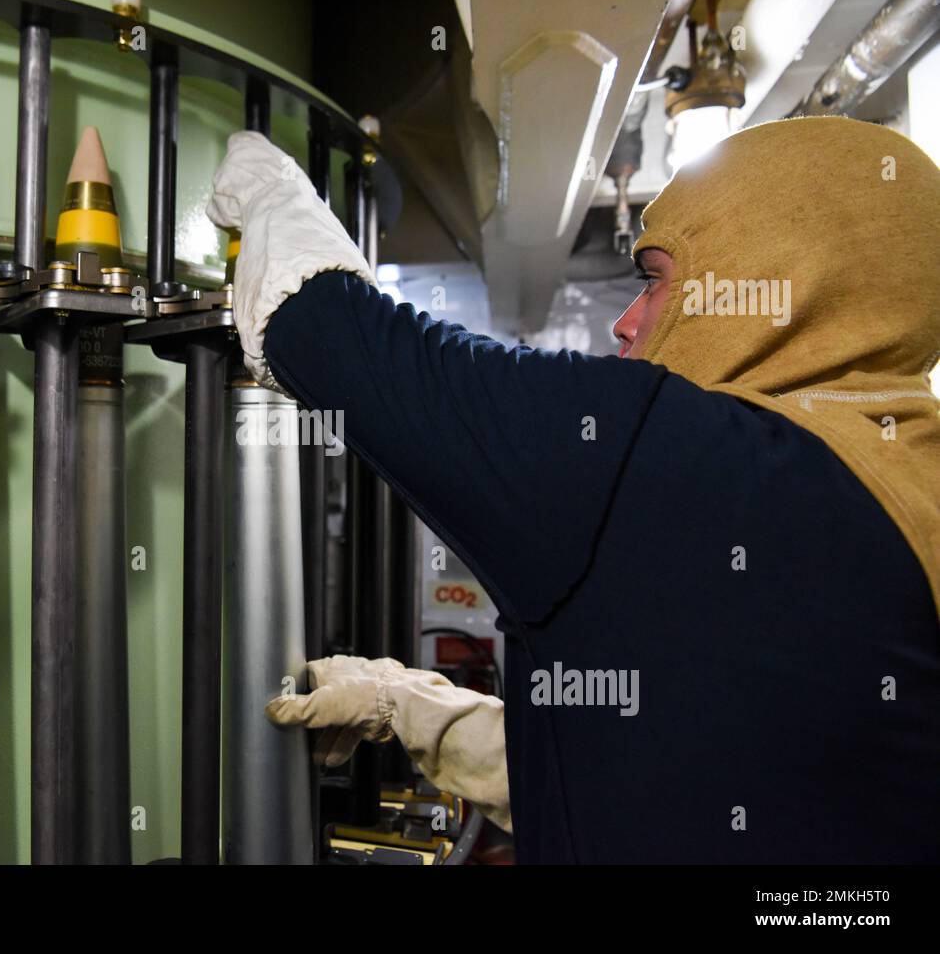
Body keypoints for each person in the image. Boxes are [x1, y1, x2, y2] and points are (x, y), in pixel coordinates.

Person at [206, 116, 940, 863]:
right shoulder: (902, 470)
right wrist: (419, 711)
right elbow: (684, 767)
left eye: (655, 280)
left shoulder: (670, 451)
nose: (625, 323)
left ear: (767, 283)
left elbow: (324, 332)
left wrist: (270, 191)